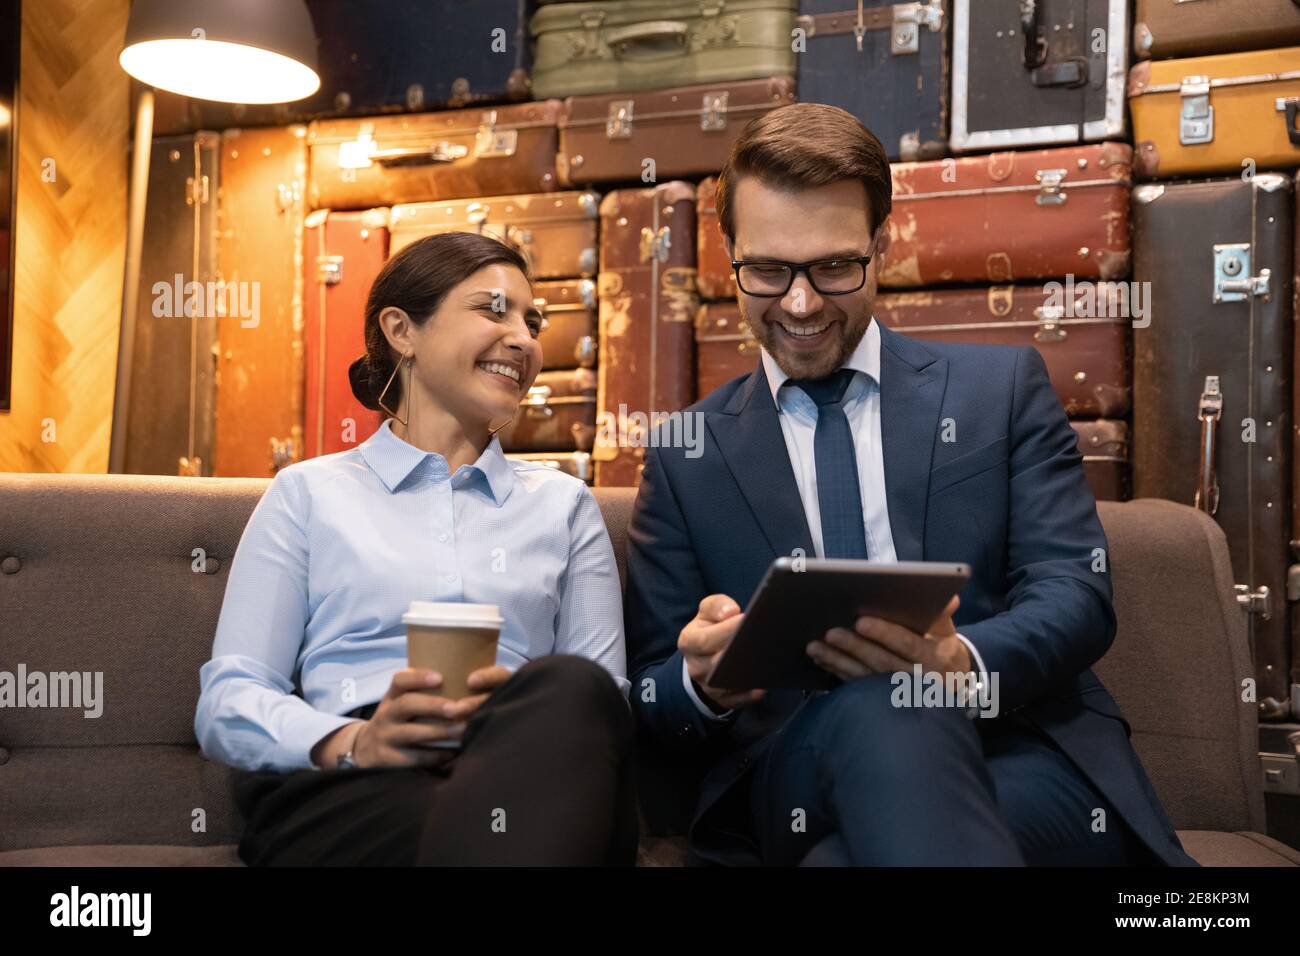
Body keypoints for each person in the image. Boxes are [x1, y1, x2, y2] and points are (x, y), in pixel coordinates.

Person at [625, 103, 1196, 867]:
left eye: (833, 267)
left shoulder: (1001, 389)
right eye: (766, 271)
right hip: (791, 777)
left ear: (883, 247)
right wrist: (702, 682)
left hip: (1017, 753)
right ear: (729, 253)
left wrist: (959, 664)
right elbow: (654, 696)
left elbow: (1076, 595)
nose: (799, 304)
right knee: (882, 710)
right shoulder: (682, 454)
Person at [196, 231, 637, 866]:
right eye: (493, 308)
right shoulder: (308, 494)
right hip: (358, 781)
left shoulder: (564, 506)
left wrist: (514, 725)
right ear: (403, 330)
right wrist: (356, 740)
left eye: (532, 320)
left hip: (524, 765)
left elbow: (606, 706)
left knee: (575, 686)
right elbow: (230, 700)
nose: (524, 339)